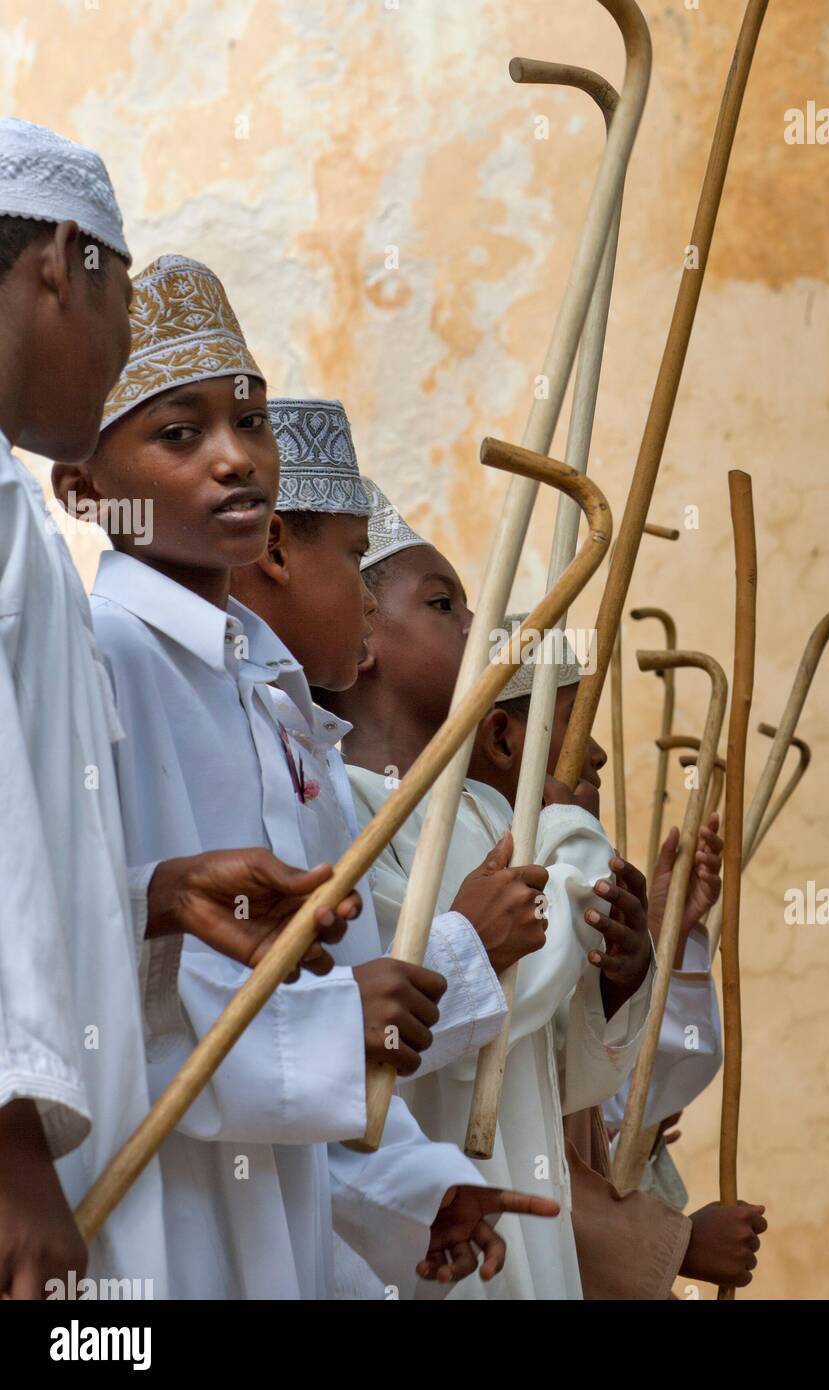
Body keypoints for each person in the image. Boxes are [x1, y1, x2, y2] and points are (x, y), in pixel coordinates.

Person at [0, 119, 348, 1301]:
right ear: (60, 261)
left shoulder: (256, 671)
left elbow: (56, 884)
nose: (240, 461)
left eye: (250, 423)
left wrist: (153, 900)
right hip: (102, 1164)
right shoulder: (98, 625)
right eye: (180, 429)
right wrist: (10, 1144)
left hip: (215, 1174)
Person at [233, 396, 563, 1295]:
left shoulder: (472, 811)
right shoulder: (324, 784)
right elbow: (305, 1004)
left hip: (410, 1190)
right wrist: (469, 946)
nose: (472, 628)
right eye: (444, 604)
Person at [321, 492, 658, 1299]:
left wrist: (616, 973)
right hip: (419, 1212)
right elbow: (430, 988)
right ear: (363, 634)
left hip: (523, 1205)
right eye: (444, 607)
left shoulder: (490, 813)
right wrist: (571, 835)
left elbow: (553, 1065)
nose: (478, 632)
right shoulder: (336, 806)